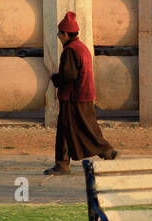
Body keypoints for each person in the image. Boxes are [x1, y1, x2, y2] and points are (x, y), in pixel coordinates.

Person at [43, 12, 118, 175]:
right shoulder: (81, 47)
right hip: (84, 94)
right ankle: (104, 152)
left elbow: (69, 75)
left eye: (59, 34)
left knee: (69, 130)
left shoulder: (70, 50)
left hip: (73, 97)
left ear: (65, 34)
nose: (59, 37)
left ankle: (66, 163)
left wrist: (55, 78)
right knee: (86, 127)